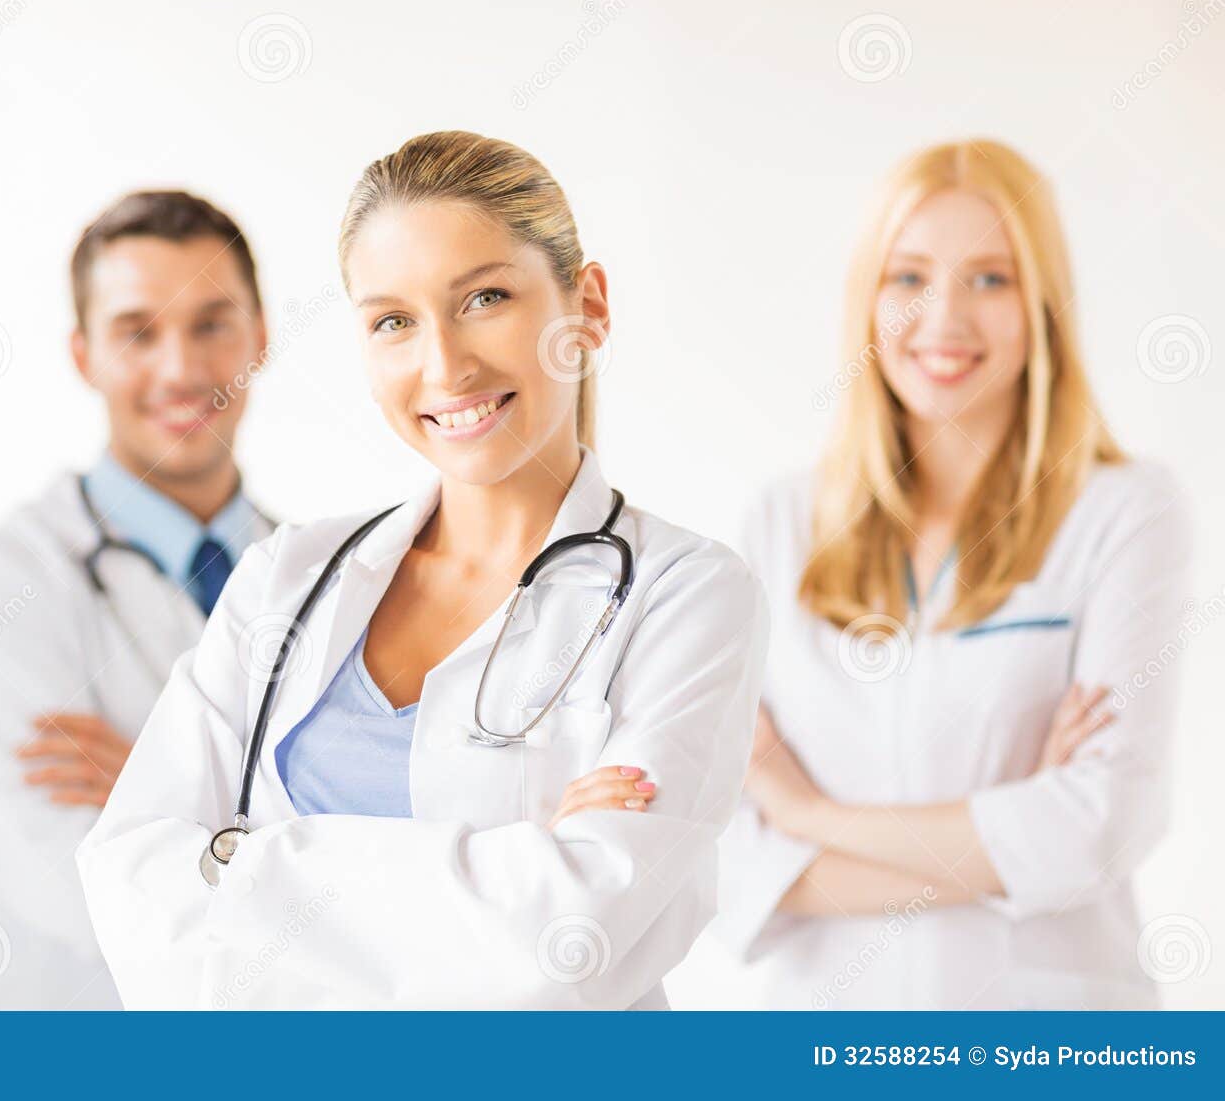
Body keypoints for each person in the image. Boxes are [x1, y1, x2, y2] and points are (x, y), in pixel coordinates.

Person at [77, 131, 768, 1009]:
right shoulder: (284, 576)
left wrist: (233, 862)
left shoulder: (688, 594)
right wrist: (516, 862)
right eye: (393, 321)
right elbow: (132, 888)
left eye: (485, 297)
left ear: (587, 306)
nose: (445, 364)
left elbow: (569, 943)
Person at [713, 139, 1192, 1009]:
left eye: (990, 278)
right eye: (908, 277)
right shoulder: (779, 522)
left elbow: (1102, 826)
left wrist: (810, 816)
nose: (944, 318)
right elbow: (726, 857)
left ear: (1043, 304)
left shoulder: (1125, 511)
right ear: (868, 299)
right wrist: (1012, 839)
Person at [0, 191, 275, 1008]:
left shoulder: (333, 580)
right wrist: (286, 833)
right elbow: (81, 893)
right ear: (84, 356)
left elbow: (390, 862)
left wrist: (171, 787)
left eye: (213, 323)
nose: (181, 368)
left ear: (261, 336)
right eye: (137, 331)